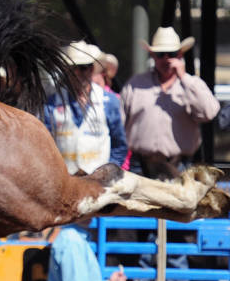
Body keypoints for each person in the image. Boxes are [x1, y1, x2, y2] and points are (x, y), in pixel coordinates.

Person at [120, 27, 219, 180]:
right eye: (160, 54)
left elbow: (209, 112)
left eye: (171, 54)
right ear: (152, 55)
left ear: (180, 55)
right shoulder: (135, 84)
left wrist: (184, 77)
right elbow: (118, 124)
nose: (166, 59)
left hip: (180, 165)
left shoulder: (193, 84)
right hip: (140, 164)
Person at [42, 41, 127, 174]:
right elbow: (45, 145)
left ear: (92, 69)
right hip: (64, 181)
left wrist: (107, 174)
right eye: (73, 68)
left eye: (83, 68)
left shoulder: (109, 102)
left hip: (99, 184)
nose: (77, 73)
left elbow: (119, 146)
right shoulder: (51, 104)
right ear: (66, 70)